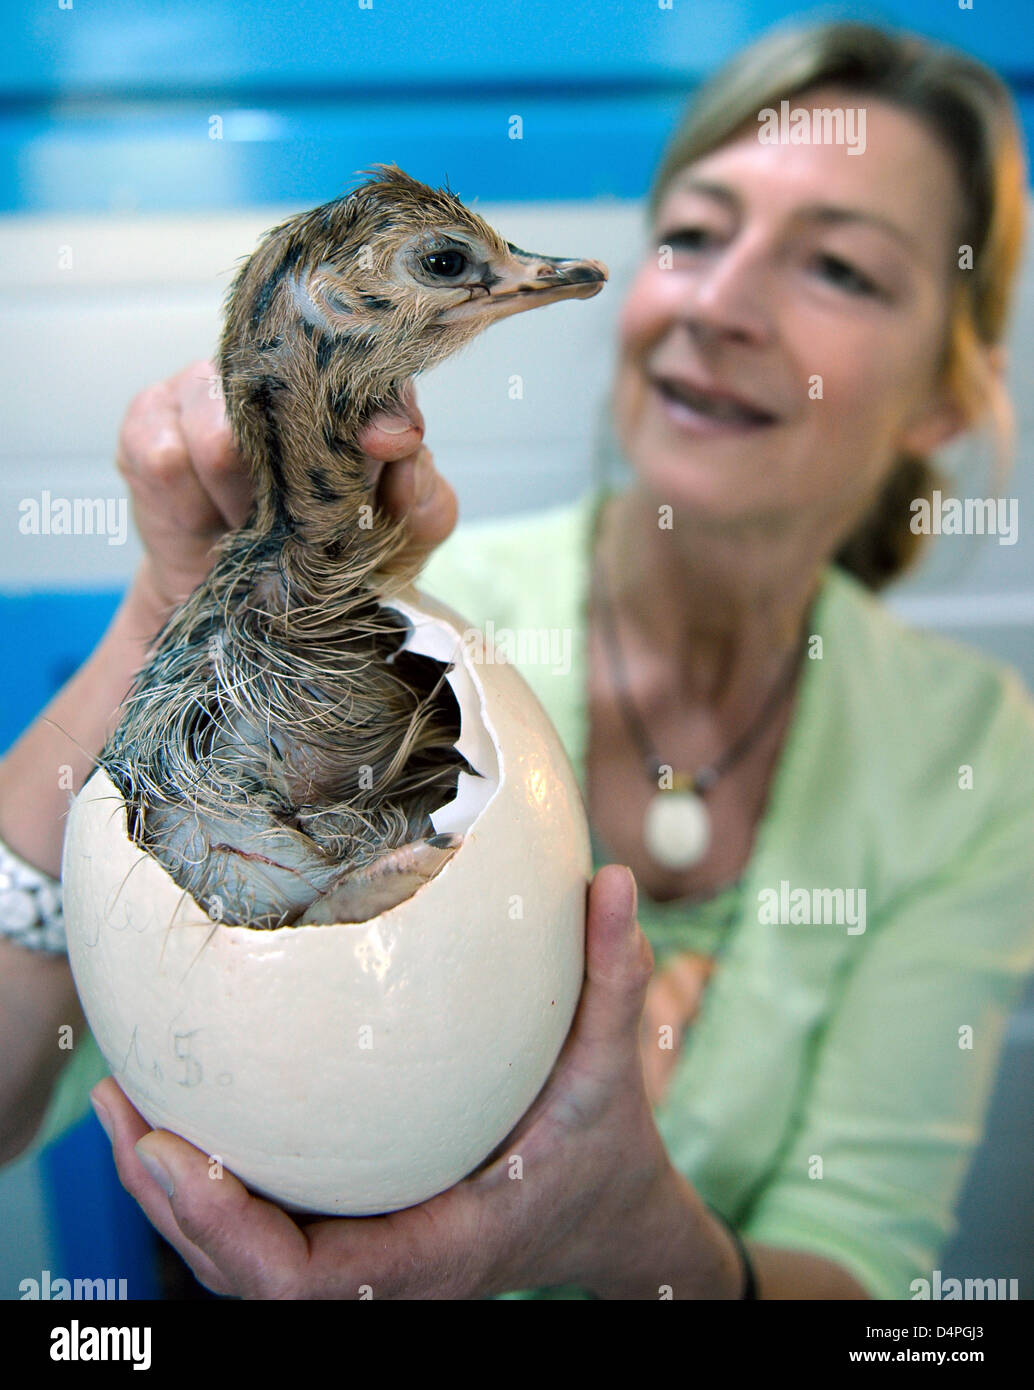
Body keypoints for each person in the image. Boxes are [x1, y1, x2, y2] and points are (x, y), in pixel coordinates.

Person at [2, 20, 1032, 1299]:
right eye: (696, 235)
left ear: (947, 387)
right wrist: (164, 622)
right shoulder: (412, 618)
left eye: (837, 268)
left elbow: (871, 1283)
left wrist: (626, 1231)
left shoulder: (972, 751)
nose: (716, 305)